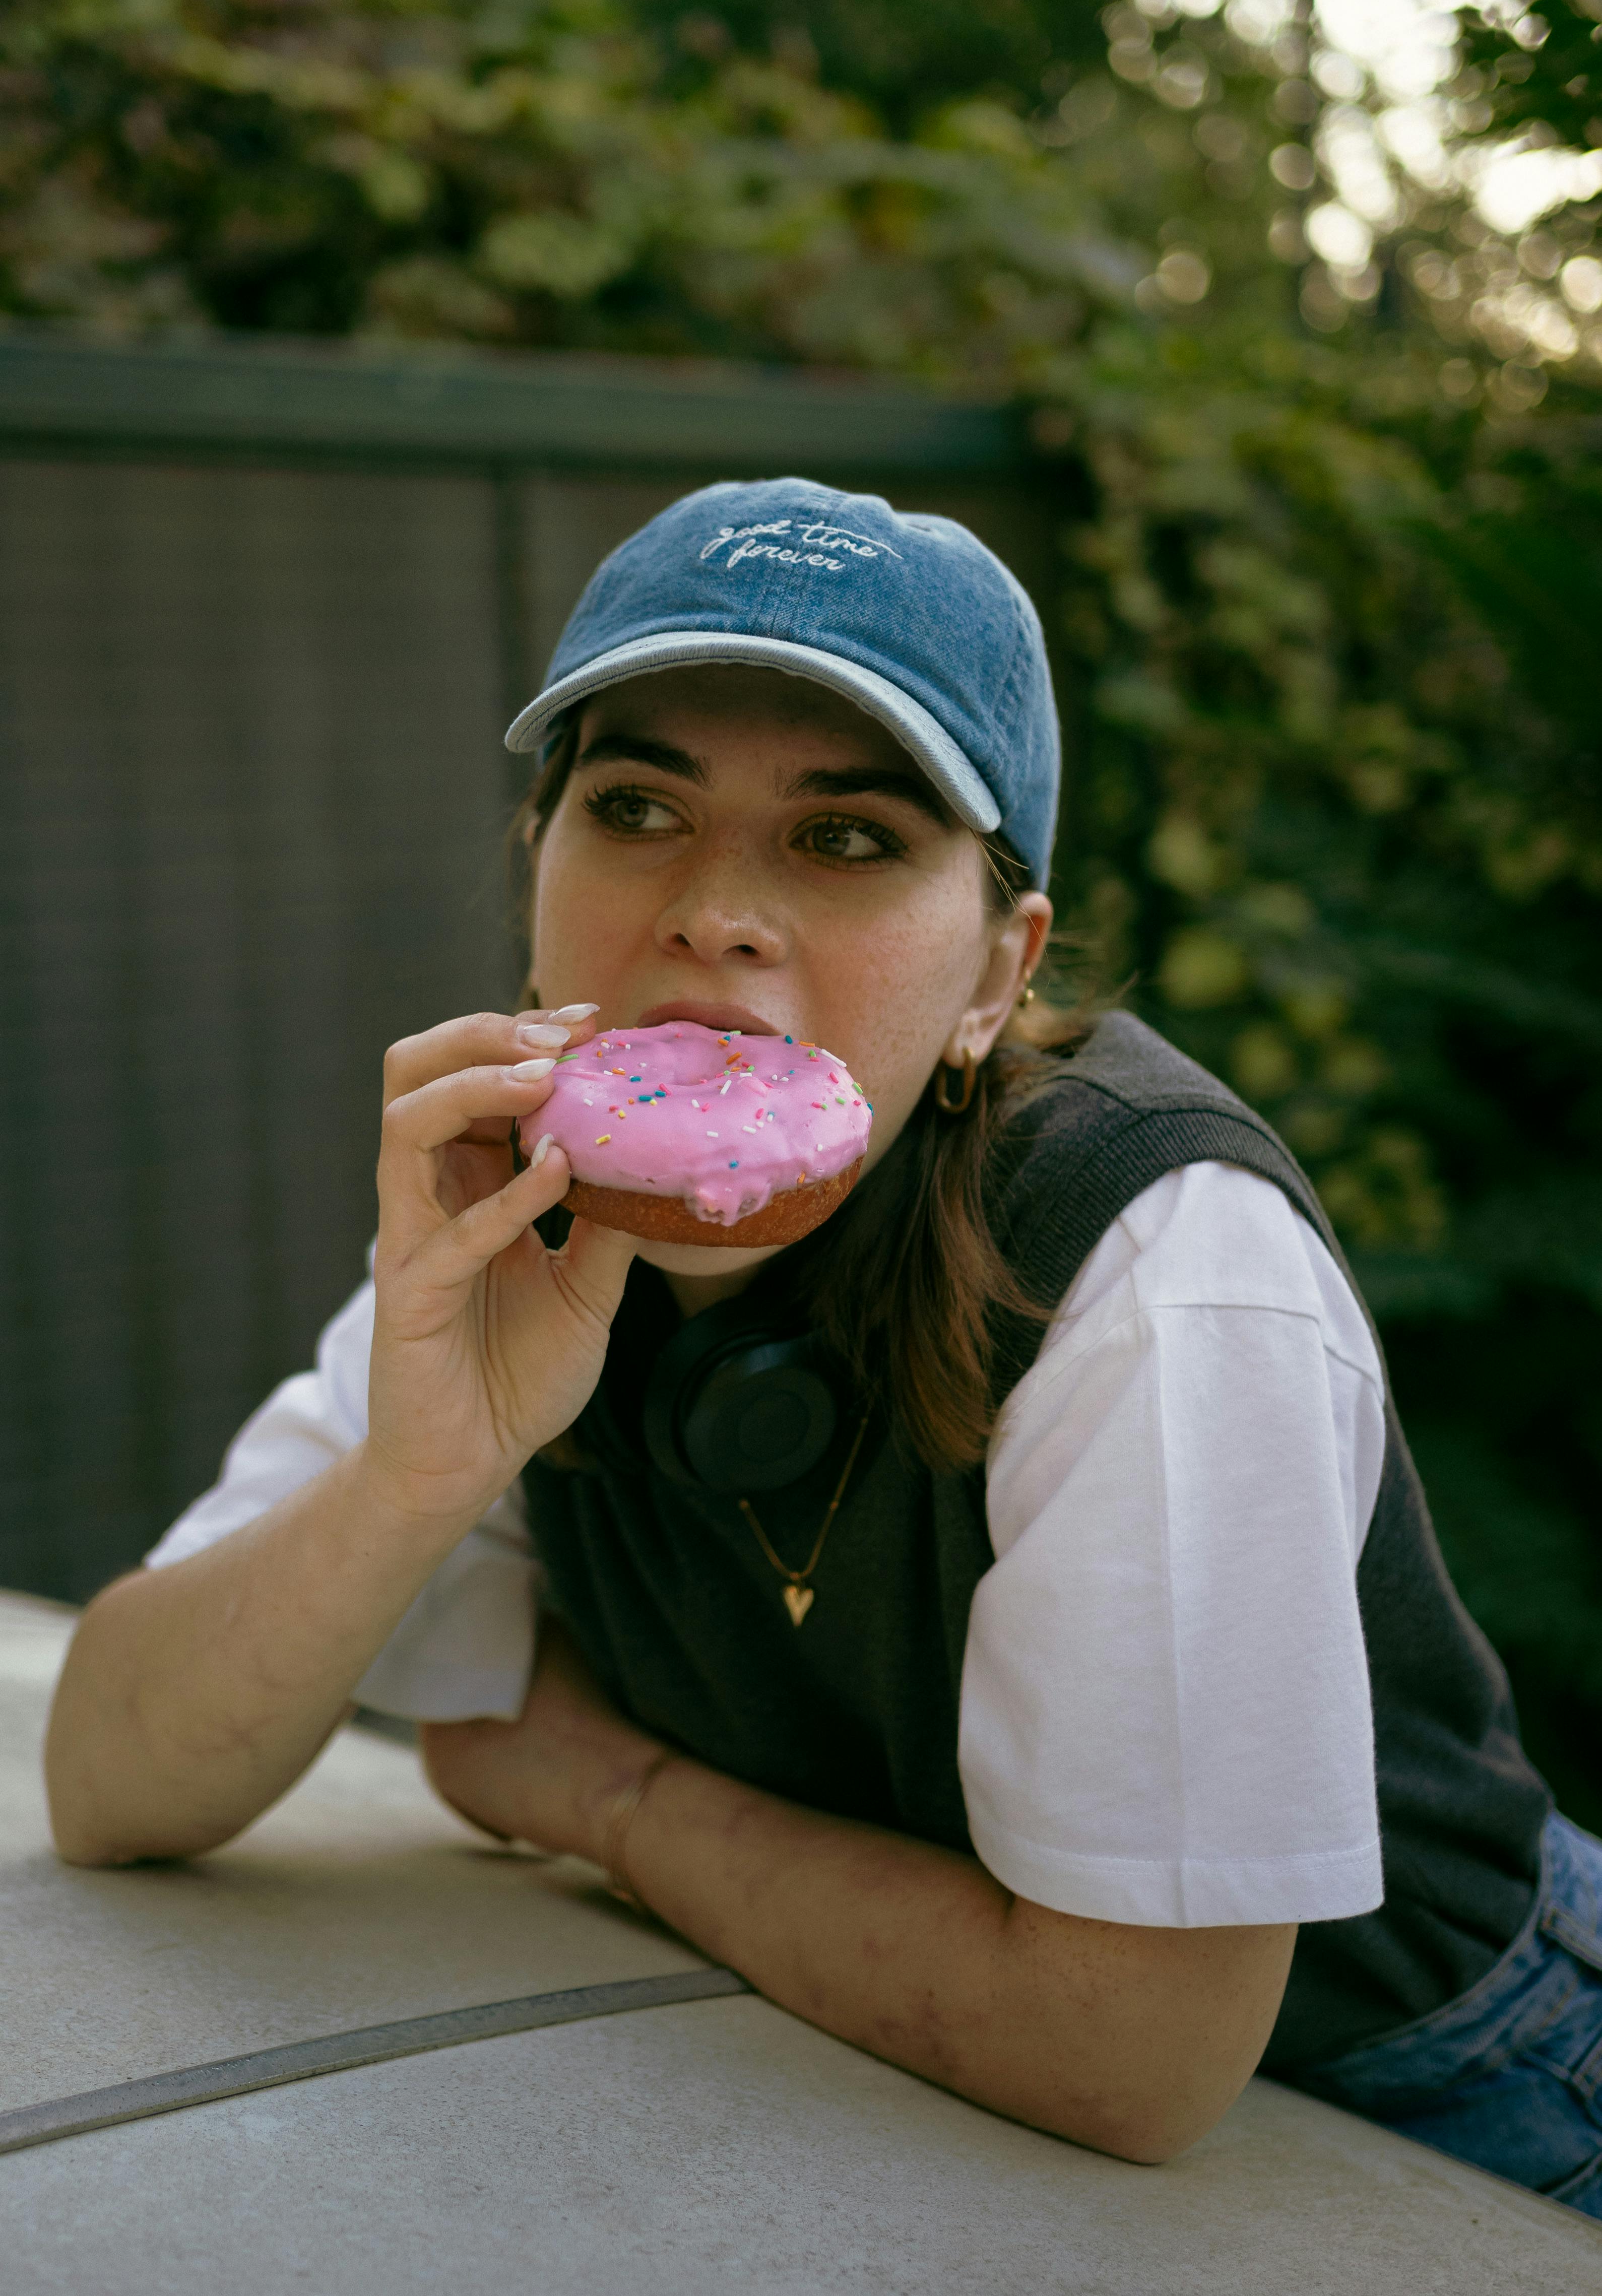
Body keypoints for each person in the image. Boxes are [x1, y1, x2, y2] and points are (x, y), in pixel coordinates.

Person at [45, 480, 1601, 2204]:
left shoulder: (1155, 1262)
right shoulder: (512, 1207)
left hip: (1474, 2089)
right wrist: (424, 1469)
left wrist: (608, 1793)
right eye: (636, 805)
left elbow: (1129, 2054)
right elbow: (112, 1775)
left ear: (995, 977)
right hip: (878, 2111)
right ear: (537, 867)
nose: (714, 912)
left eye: (845, 836)